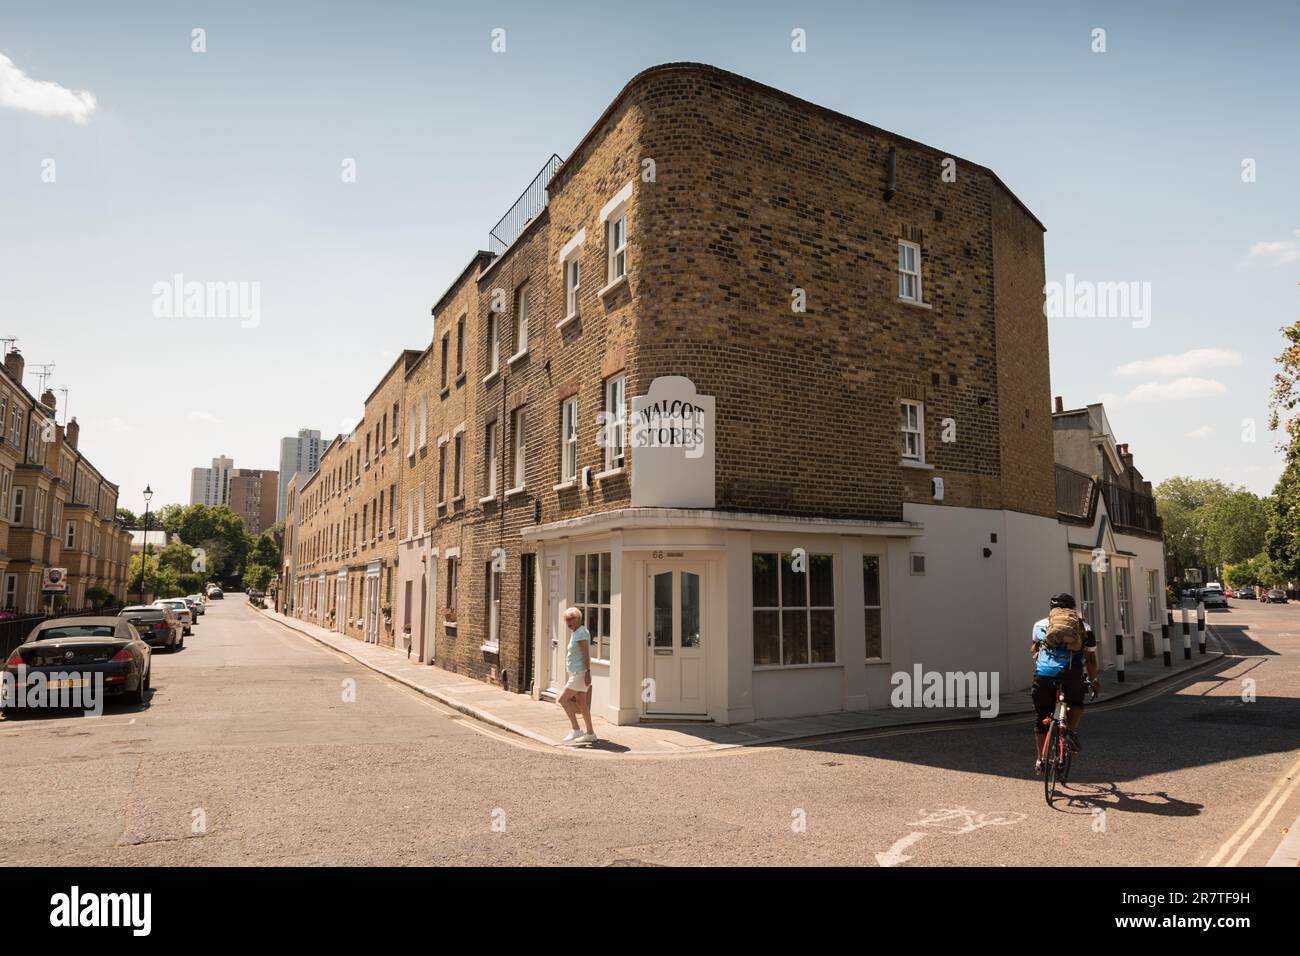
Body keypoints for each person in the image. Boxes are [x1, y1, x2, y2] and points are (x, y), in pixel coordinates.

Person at [1030, 593, 1099, 773]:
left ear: (1051, 608)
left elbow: (1036, 652)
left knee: (1041, 718)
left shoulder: (1039, 625)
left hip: (1043, 675)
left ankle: (1040, 760)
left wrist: (1041, 673)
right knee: (1076, 705)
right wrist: (1093, 681)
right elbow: (1090, 660)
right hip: (1071, 674)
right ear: (1072, 608)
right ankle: (1069, 732)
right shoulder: (1085, 627)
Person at [558, 607, 597, 744]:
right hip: (576, 672)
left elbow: (586, 653)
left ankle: (576, 729)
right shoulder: (576, 632)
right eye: (567, 619)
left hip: (580, 673)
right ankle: (590, 733)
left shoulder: (581, 633)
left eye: (571, 619)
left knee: (562, 699)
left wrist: (587, 672)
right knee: (581, 702)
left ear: (579, 619)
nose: (568, 622)